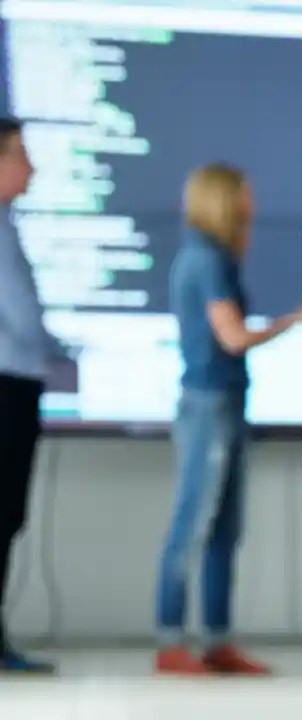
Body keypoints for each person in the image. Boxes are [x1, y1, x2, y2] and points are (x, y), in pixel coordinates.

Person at [155, 163, 302, 675]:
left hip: (225, 402)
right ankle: (171, 642)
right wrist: (298, 319)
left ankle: (216, 641)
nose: (254, 204)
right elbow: (232, 337)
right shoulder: (208, 258)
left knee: (223, 531)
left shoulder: (212, 257)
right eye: (246, 195)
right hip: (208, 405)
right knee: (193, 526)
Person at [0, 118, 62, 674]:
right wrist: (57, 348)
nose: (32, 167)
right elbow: (20, 314)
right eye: (20, 154)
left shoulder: (8, 225)